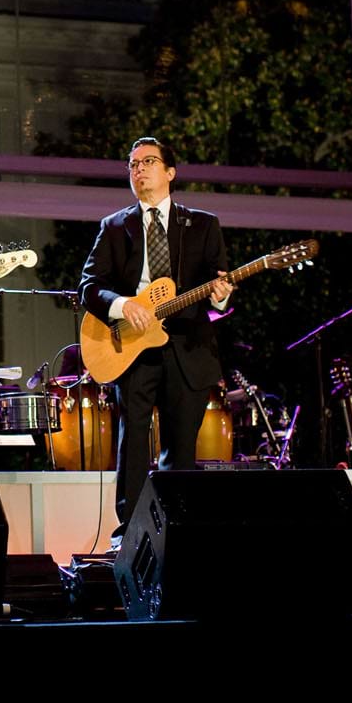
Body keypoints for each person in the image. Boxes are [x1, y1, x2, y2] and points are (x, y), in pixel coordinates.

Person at [78, 137, 233, 543]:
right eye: (132, 164)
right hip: (131, 347)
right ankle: (129, 535)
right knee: (132, 443)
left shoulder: (202, 224)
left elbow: (219, 285)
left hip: (187, 346)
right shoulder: (114, 226)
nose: (139, 170)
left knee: (181, 450)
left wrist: (222, 293)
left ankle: (175, 533)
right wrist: (123, 305)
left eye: (148, 162)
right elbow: (90, 287)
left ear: (170, 172)